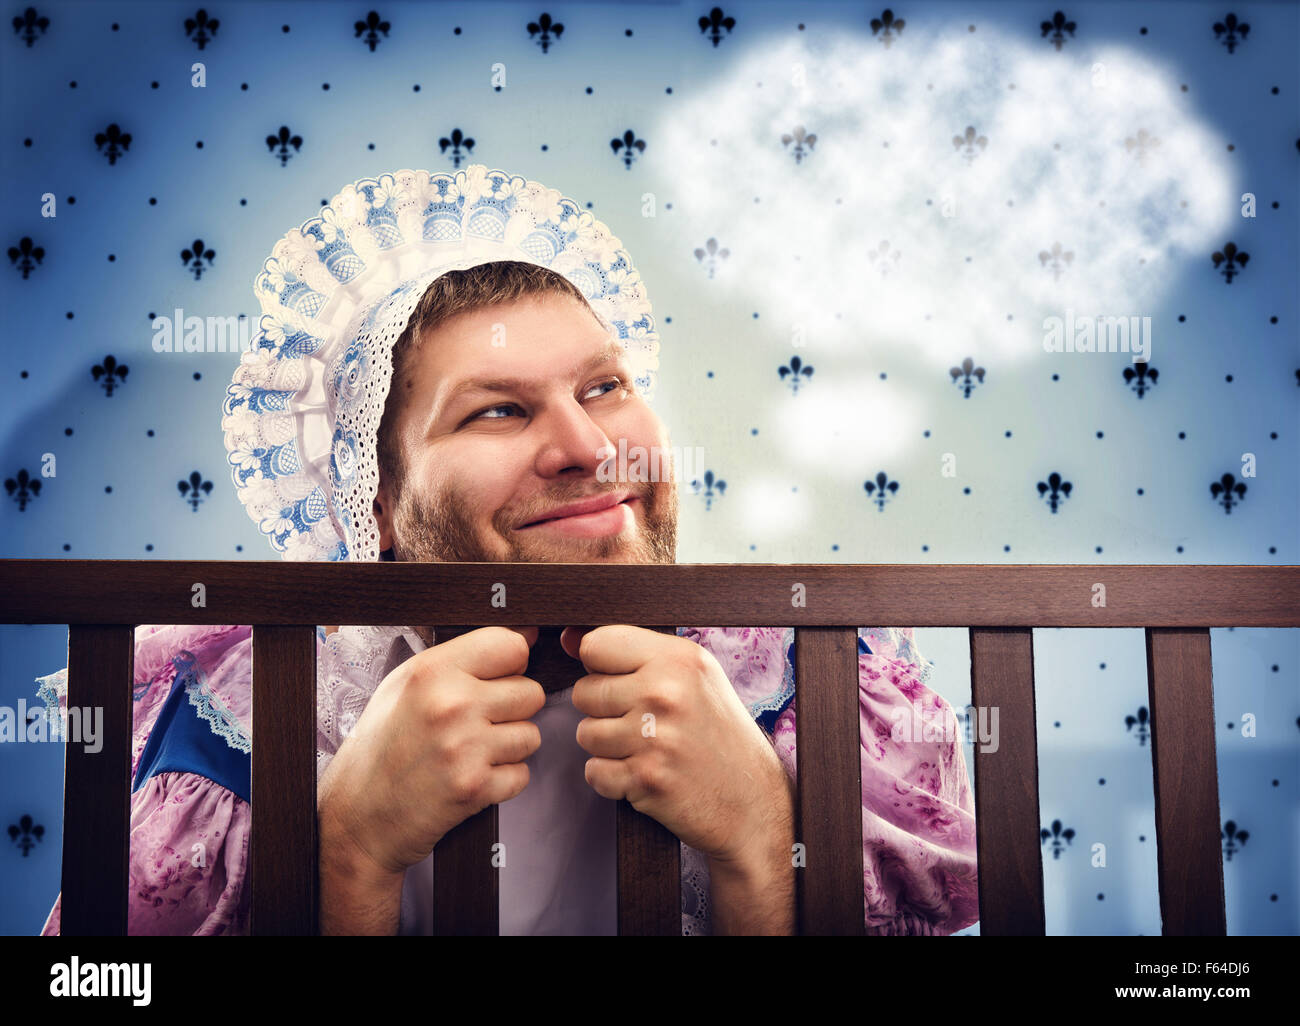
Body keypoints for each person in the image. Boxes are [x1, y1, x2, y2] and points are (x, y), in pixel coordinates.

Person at [35, 164, 978, 936]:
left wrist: (764, 842)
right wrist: (348, 858)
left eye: (605, 387)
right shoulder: (250, 730)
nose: (591, 448)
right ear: (384, 505)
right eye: (499, 409)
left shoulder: (823, 691)